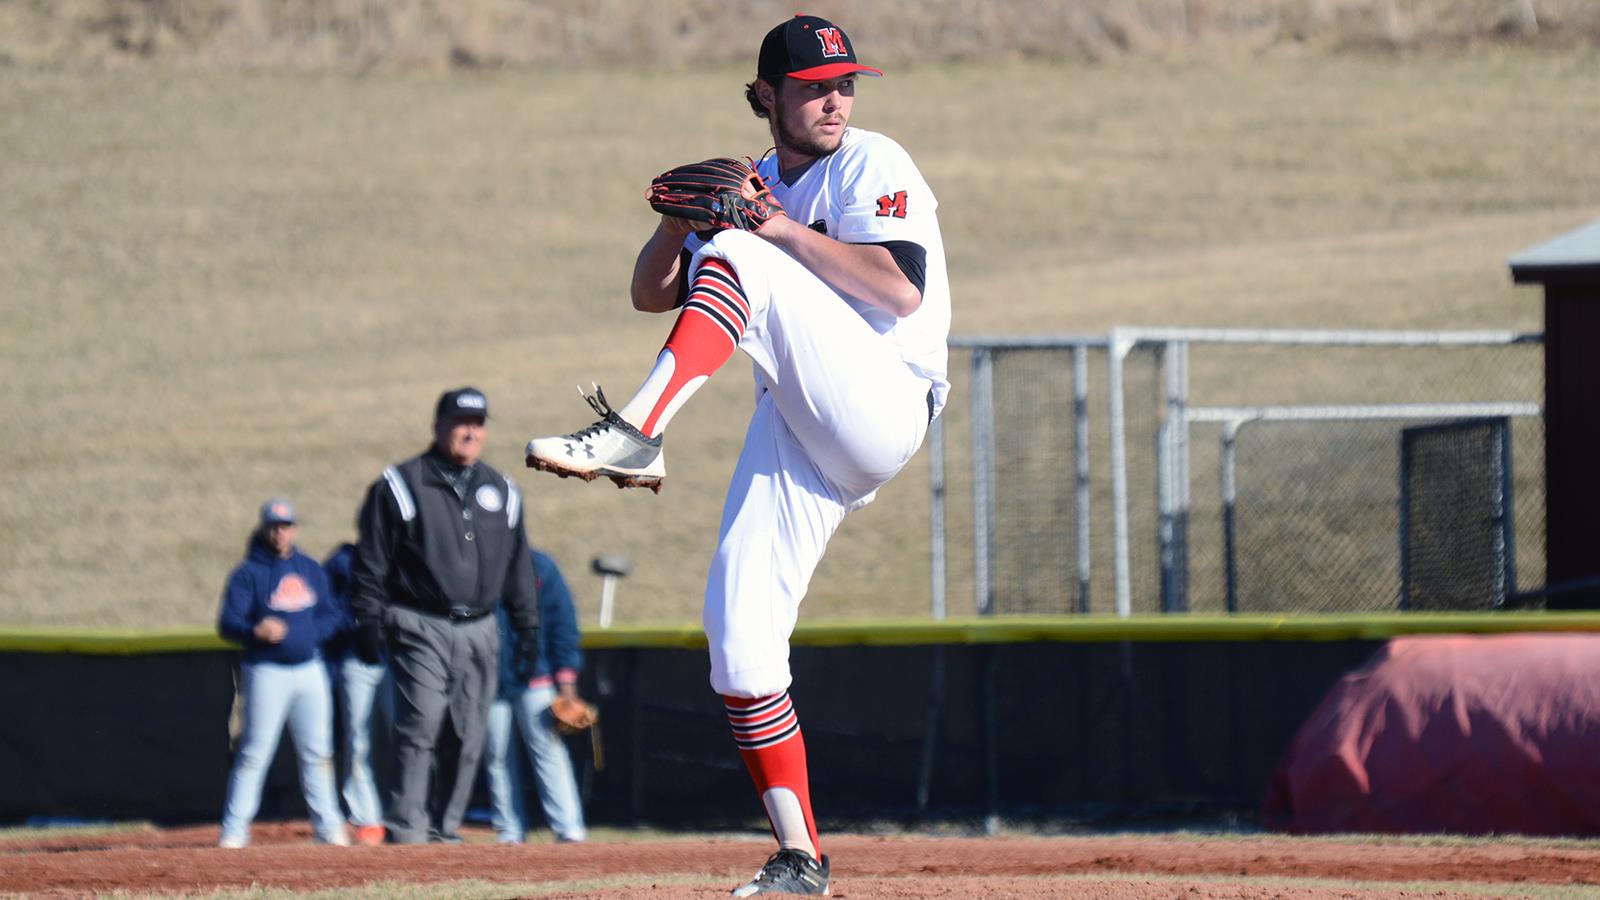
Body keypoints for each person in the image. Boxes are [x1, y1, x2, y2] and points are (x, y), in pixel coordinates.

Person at [524, 14, 949, 895]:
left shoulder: (874, 161)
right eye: (811, 87)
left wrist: (771, 228)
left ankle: (637, 430)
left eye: (844, 84)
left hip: (884, 398)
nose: (834, 99)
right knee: (738, 641)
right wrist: (671, 223)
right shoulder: (751, 178)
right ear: (765, 96)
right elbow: (650, 294)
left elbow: (898, 290)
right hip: (800, 422)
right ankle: (801, 857)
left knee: (743, 254)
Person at [350, 386, 541, 844]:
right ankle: (407, 827)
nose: (470, 431)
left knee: (470, 732)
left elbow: (518, 566)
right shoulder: (400, 485)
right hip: (420, 623)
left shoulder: (503, 490)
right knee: (421, 723)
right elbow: (371, 562)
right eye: (460, 422)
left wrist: (528, 627)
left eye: (478, 423)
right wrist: (368, 621)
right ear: (438, 426)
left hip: (481, 627)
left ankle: (444, 826)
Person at [216, 498, 350, 848]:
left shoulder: (308, 569)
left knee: (318, 752)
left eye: (286, 525)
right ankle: (234, 830)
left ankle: (329, 827)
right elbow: (229, 622)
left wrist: (308, 635)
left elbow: (332, 615)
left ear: (295, 528)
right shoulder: (248, 573)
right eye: (275, 525)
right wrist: (254, 630)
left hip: (309, 670)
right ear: (264, 528)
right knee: (254, 751)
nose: (281, 531)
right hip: (266, 671)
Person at [482, 548, 590, 844]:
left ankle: (569, 828)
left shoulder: (540, 566)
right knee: (496, 754)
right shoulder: (474, 561)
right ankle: (509, 832)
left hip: (536, 675)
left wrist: (566, 680)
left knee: (547, 749)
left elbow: (563, 624)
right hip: (491, 678)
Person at [321, 539, 391, 847]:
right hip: (356, 658)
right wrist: (357, 625)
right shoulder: (344, 560)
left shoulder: (409, 550)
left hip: (400, 659)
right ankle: (367, 817)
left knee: (407, 737)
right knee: (358, 738)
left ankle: (406, 814)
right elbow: (326, 607)